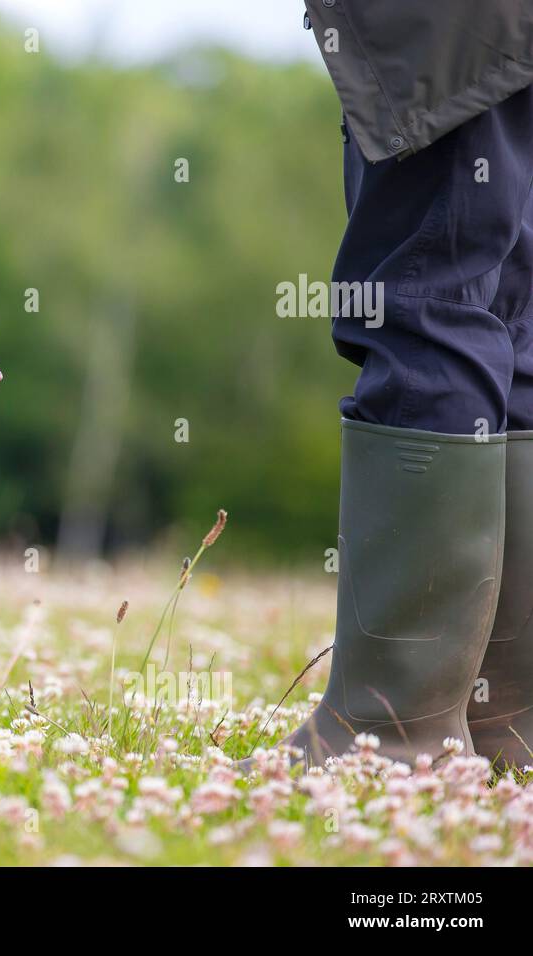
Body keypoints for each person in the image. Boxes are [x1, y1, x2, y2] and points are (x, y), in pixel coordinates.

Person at [275, 2, 533, 768]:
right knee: (507, 313)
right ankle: (504, 721)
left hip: (451, 27)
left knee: (421, 298)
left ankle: (392, 735)